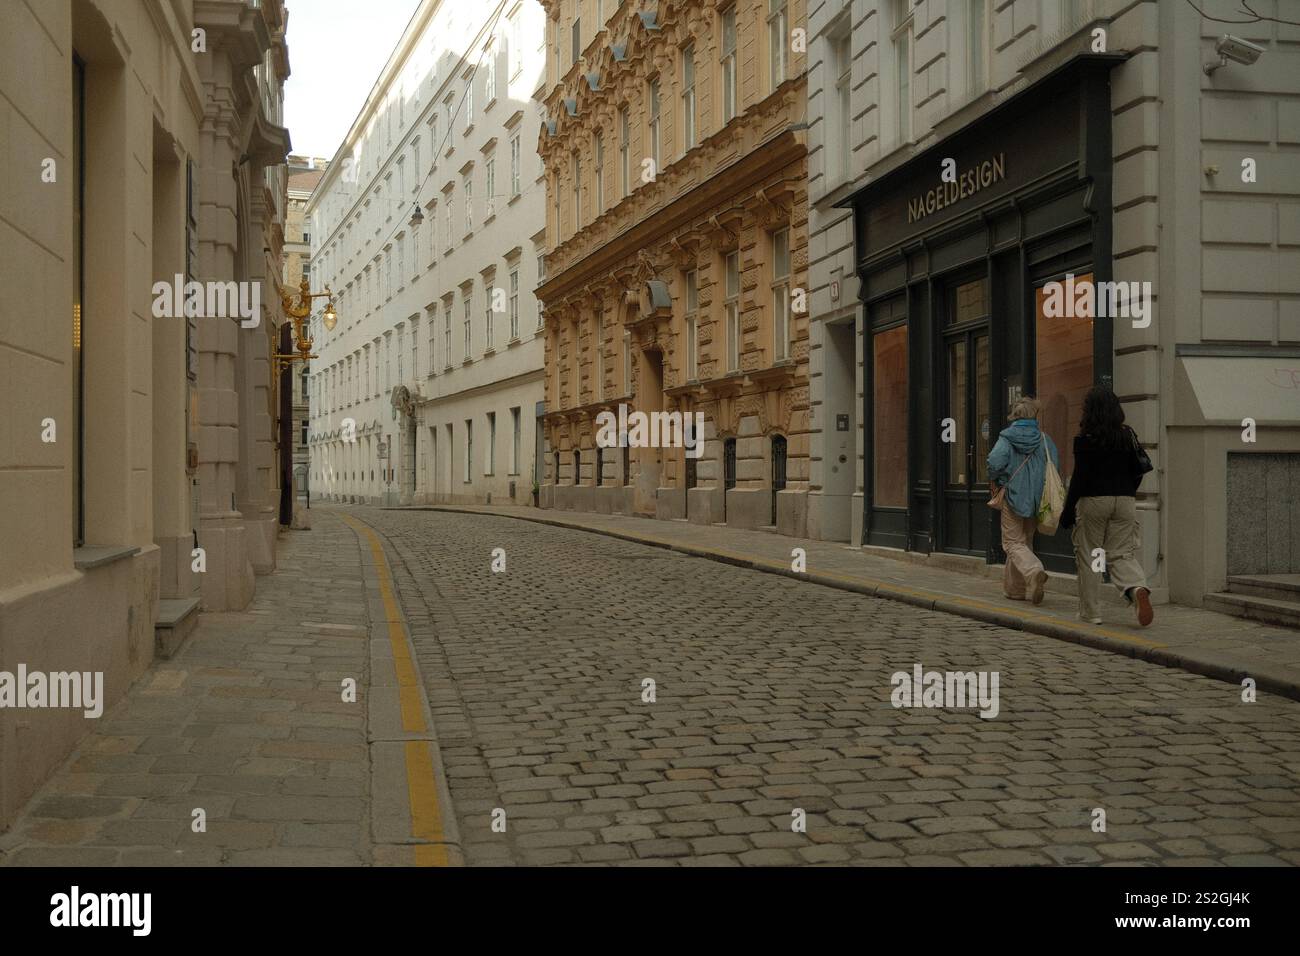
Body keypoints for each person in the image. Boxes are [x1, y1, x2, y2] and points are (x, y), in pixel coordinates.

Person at [1060, 386, 1153, 627]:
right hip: (1125, 500)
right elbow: (1140, 468)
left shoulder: (1085, 440)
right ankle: (1136, 587)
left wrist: (1067, 511)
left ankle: (1091, 613)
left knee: (1092, 555)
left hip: (1094, 501)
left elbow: (1079, 479)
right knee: (1120, 553)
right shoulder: (1127, 434)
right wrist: (1127, 491)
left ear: (1090, 411)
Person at [987, 396, 1059, 604]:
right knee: (1024, 543)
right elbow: (1054, 467)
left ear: (1015, 416)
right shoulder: (1045, 440)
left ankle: (1034, 570)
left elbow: (994, 462)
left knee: (1012, 543)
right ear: (1034, 415)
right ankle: (1015, 590)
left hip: (1014, 496)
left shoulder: (1007, 438)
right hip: (1038, 499)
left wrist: (998, 479)